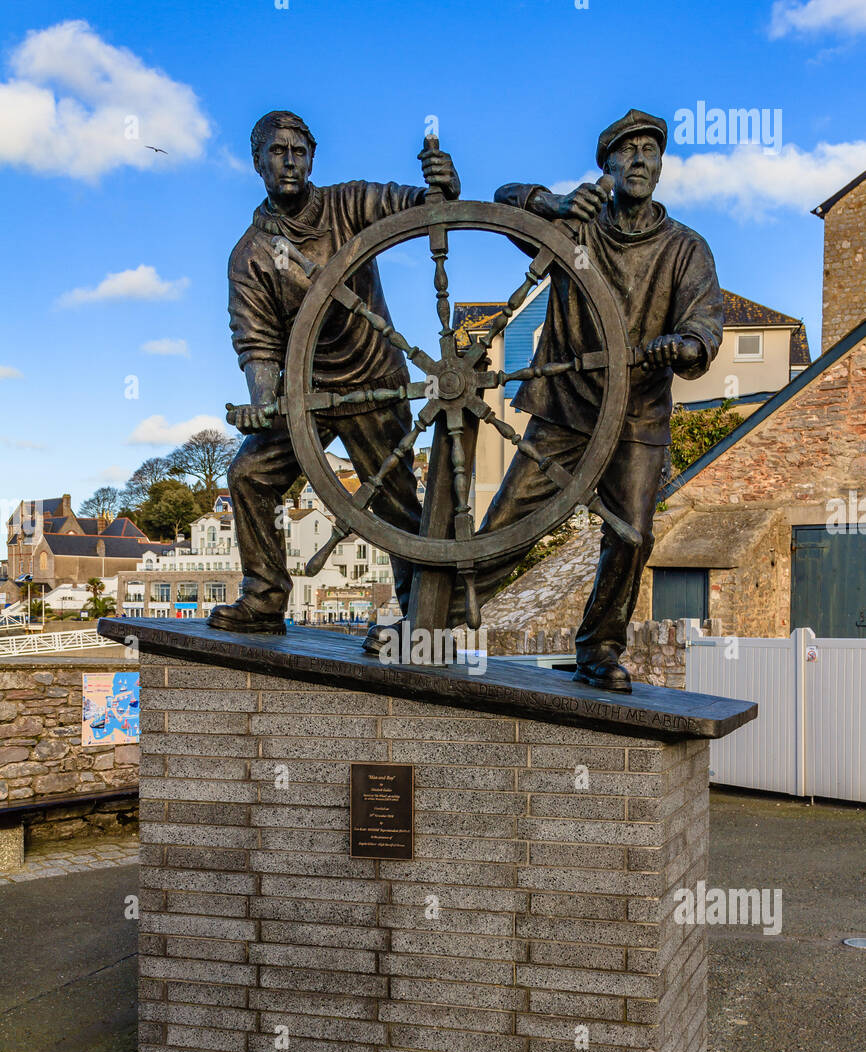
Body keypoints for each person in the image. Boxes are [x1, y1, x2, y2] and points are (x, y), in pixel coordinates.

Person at [452, 109, 723, 693]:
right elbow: (501, 202)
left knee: (632, 536)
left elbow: (704, 322)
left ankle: (599, 648)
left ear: (661, 164)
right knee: (509, 523)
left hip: (638, 414)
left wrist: (685, 344)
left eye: (650, 150)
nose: (640, 160)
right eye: (627, 151)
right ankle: (434, 620)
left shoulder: (685, 249)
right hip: (568, 406)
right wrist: (549, 204)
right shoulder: (579, 225)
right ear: (607, 165)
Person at [207, 110, 460, 635]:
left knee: (393, 507)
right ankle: (264, 597)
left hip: (374, 380)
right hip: (308, 393)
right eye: (278, 152)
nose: (290, 162)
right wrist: (261, 400)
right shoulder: (249, 256)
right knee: (249, 475)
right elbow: (257, 342)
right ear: (257, 162)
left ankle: (421, 620)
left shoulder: (348, 204)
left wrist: (441, 185)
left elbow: (420, 208)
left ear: (312, 157)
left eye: (299, 151)